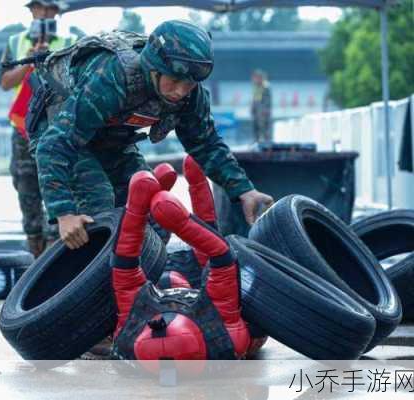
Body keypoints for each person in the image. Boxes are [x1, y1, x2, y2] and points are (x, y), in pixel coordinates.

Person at [28, 20, 273, 250]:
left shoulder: (190, 94)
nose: (180, 91)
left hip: (111, 140)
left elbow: (205, 143)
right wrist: (65, 213)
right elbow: (55, 145)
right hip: (61, 134)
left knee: (157, 212)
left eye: (189, 84)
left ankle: (136, 281)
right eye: (175, 80)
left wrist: (243, 190)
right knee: (98, 209)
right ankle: (86, 283)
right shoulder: (113, 78)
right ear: (154, 68)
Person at [110, 170, 264, 362]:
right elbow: (222, 259)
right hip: (193, 290)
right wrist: (182, 222)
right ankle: (177, 191)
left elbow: (124, 266)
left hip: (164, 283)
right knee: (218, 266)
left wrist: (136, 208)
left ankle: (152, 204)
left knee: (143, 271)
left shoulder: (128, 337)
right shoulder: (222, 338)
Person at [0, 0, 75, 257]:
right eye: (37, 8)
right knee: (26, 187)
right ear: (31, 11)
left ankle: (56, 253)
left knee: (59, 185)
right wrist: (29, 60)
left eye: (48, 9)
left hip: (57, 126)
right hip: (24, 127)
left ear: (57, 12)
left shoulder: (71, 41)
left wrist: (49, 60)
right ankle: (35, 253)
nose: (42, 14)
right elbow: (5, 82)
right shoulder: (15, 42)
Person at [250, 69, 272, 143]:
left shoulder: (266, 86)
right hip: (256, 110)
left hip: (263, 111)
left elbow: (267, 100)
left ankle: (267, 143)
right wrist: (252, 108)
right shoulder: (255, 86)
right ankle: (256, 142)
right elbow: (254, 98)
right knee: (256, 127)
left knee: (265, 128)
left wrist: (266, 110)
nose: (254, 79)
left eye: (256, 78)